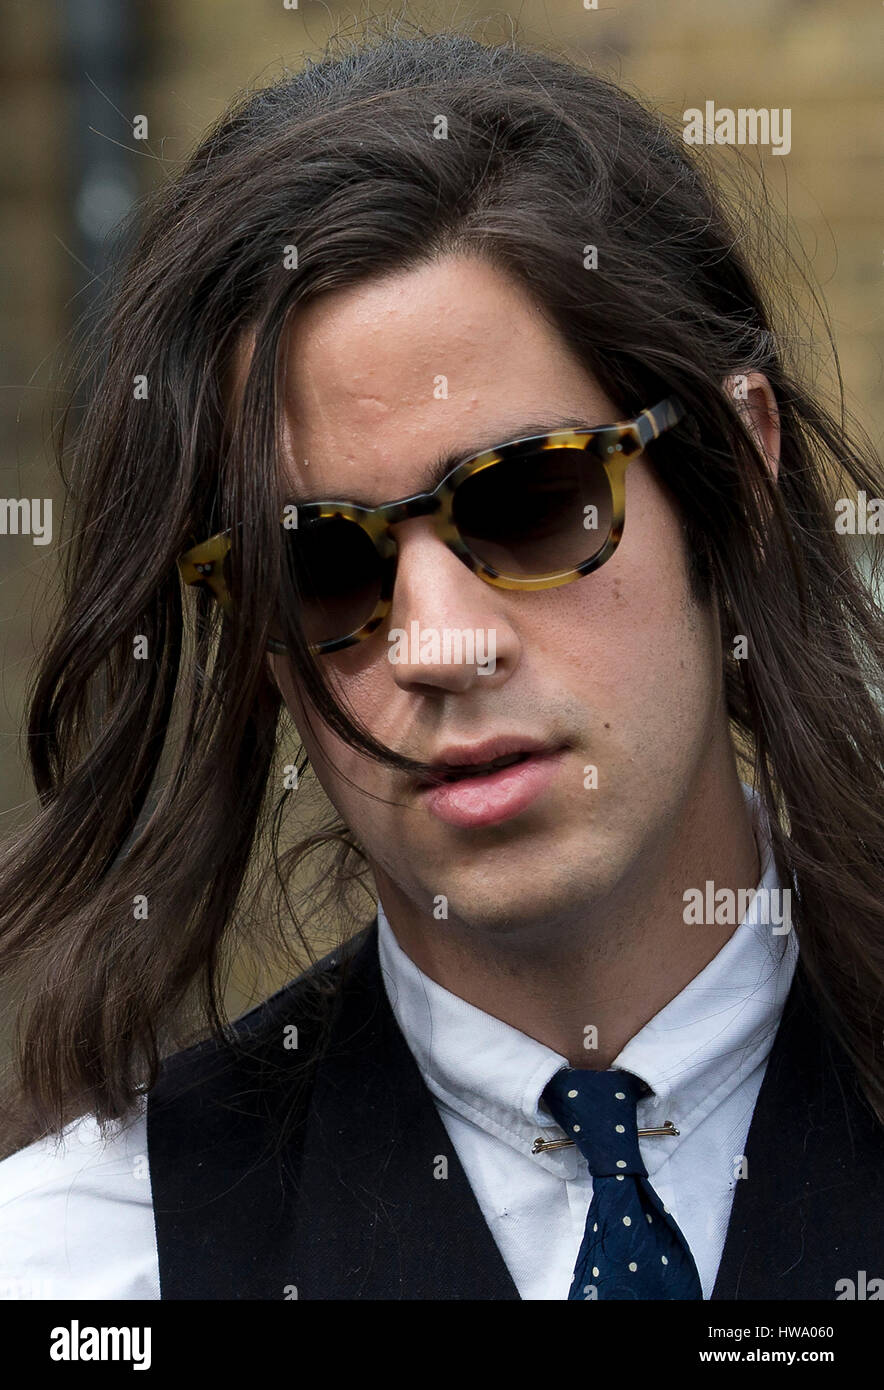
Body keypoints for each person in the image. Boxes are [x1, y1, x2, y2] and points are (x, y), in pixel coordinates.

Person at [0, 24, 882, 1302]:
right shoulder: (88, 1268)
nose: (438, 643)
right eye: (322, 566)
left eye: (530, 500)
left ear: (736, 472)